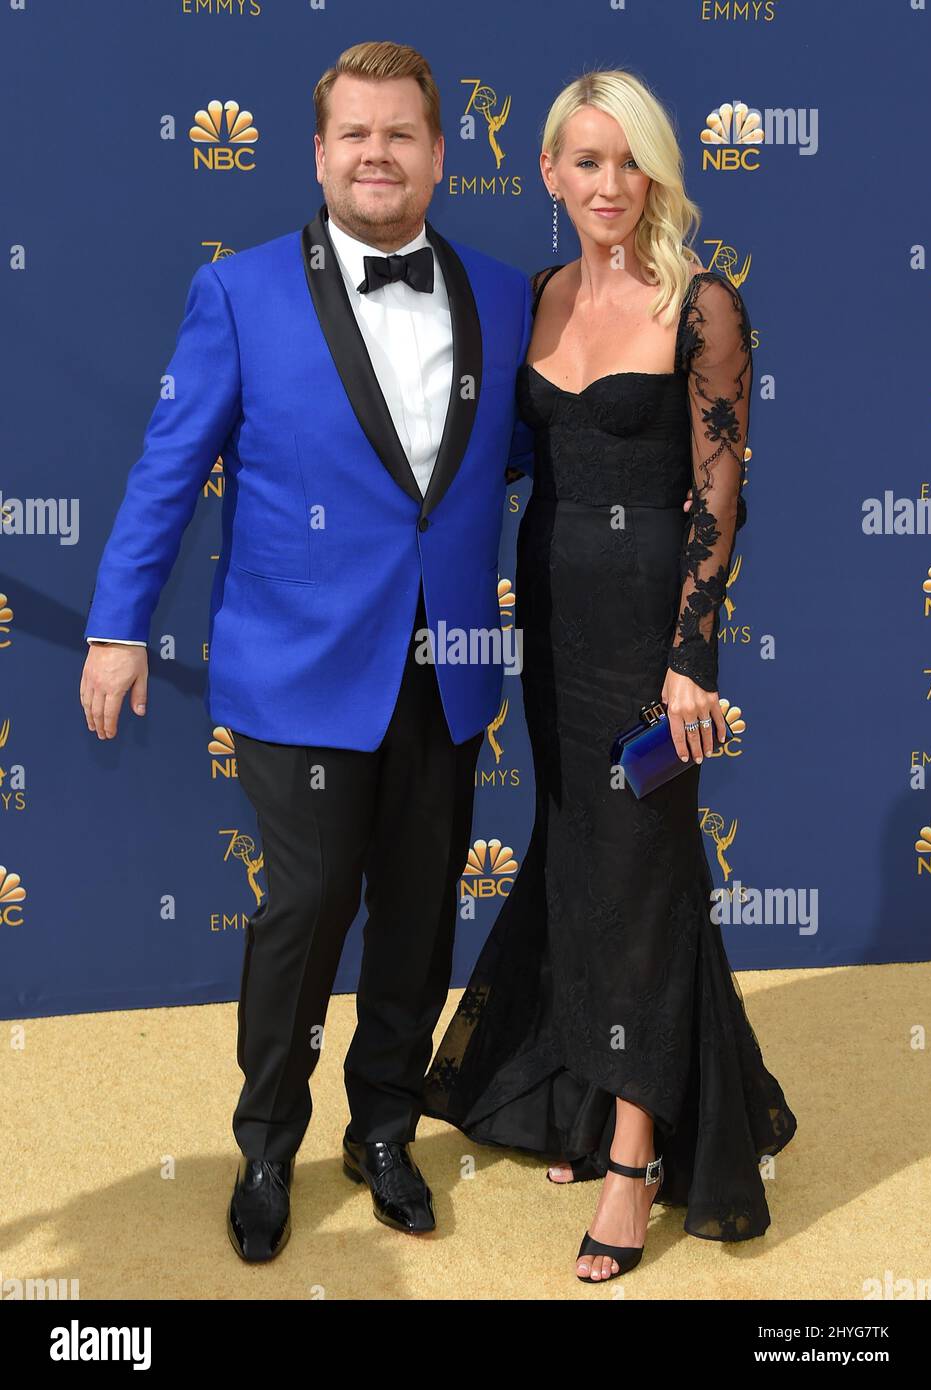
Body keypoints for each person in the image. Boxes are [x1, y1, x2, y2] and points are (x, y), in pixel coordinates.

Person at [78, 40, 544, 1263]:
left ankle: (383, 1127)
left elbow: (541, 457)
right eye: (356, 133)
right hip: (297, 670)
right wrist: (119, 622)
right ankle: (269, 1140)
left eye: (402, 133)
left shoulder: (505, 294)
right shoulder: (238, 292)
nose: (378, 153)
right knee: (303, 910)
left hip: (445, 664)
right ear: (320, 151)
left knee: (418, 916)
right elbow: (169, 467)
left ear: (442, 156)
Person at [422, 69, 797, 1284]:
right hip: (555, 621)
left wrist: (692, 660)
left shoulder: (704, 306)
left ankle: (637, 1158)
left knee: (643, 867)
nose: (607, 184)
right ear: (548, 174)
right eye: (585, 161)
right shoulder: (535, 297)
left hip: (649, 632)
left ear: (656, 174)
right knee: (583, 849)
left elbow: (720, 494)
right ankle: (592, 1088)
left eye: (627, 162)